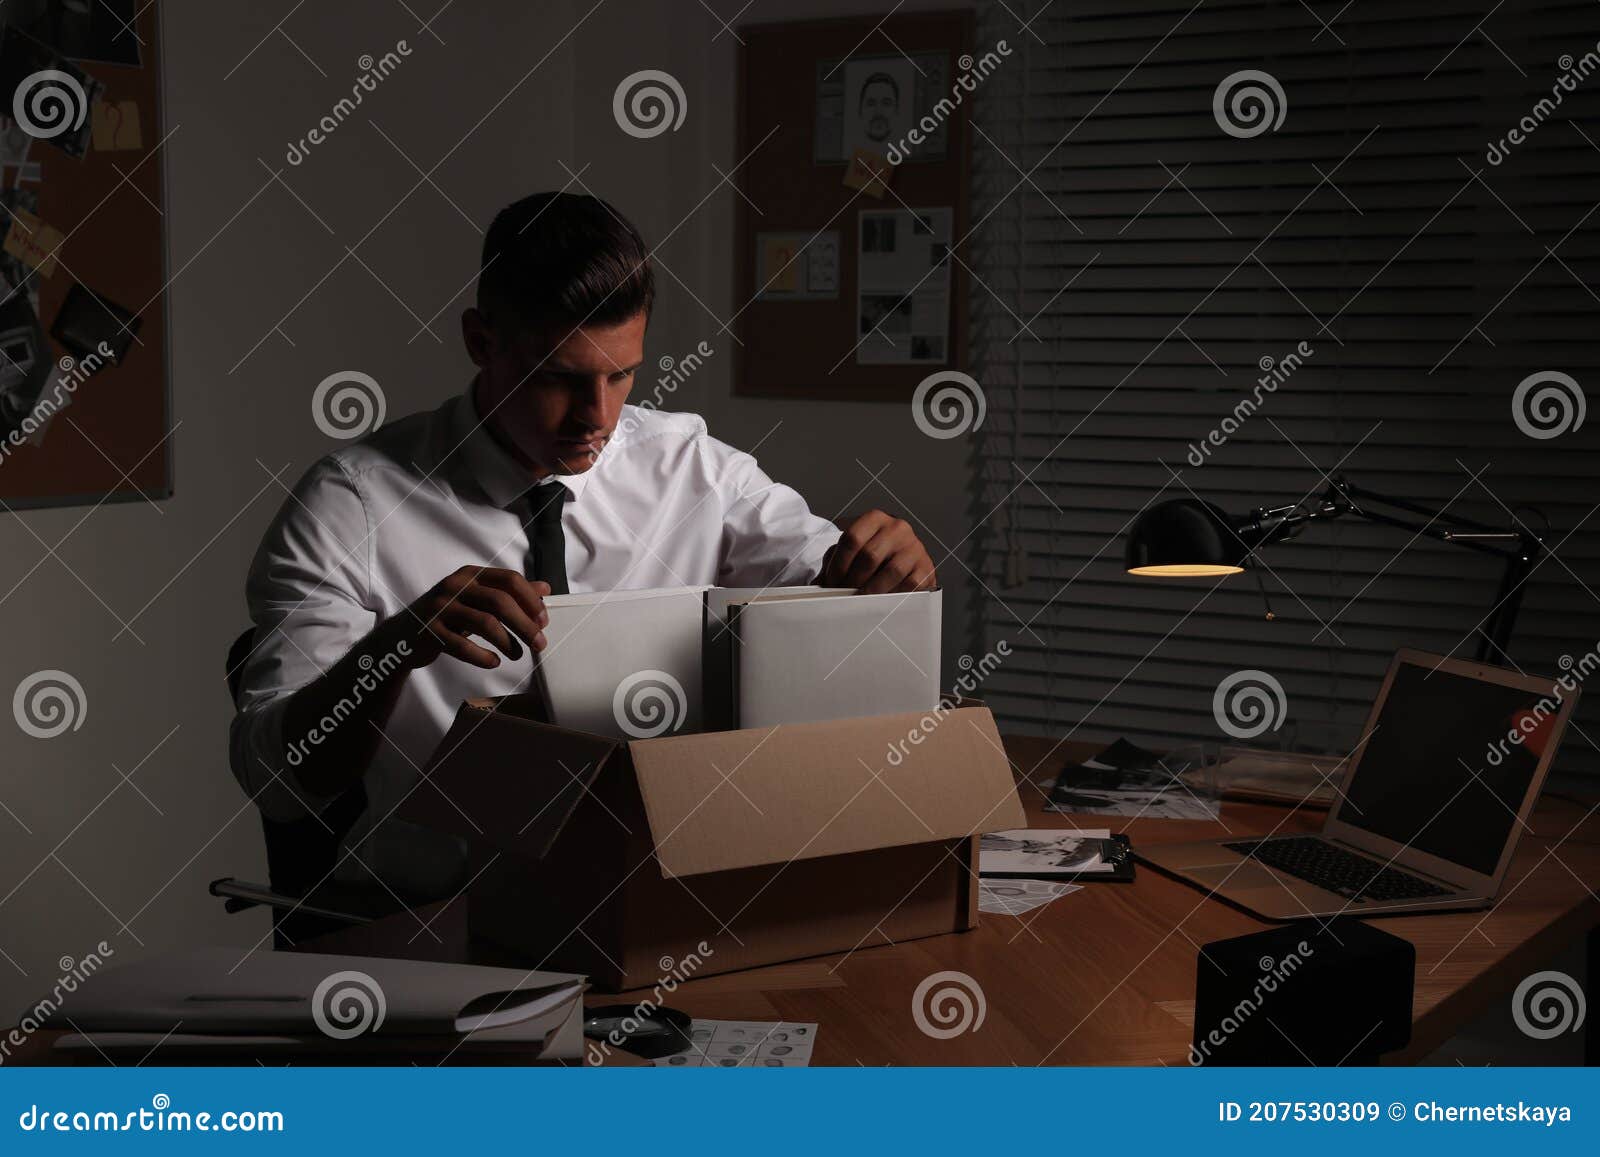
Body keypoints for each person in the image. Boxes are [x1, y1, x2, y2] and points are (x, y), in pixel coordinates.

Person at [228, 191, 937, 898]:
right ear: (482, 342)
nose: (595, 417)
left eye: (621, 374)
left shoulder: (694, 469)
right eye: (558, 379)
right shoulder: (351, 504)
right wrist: (393, 650)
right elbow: (278, 783)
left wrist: (883, 573)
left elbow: (833, 586)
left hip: (661, 890)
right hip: (438, 909)